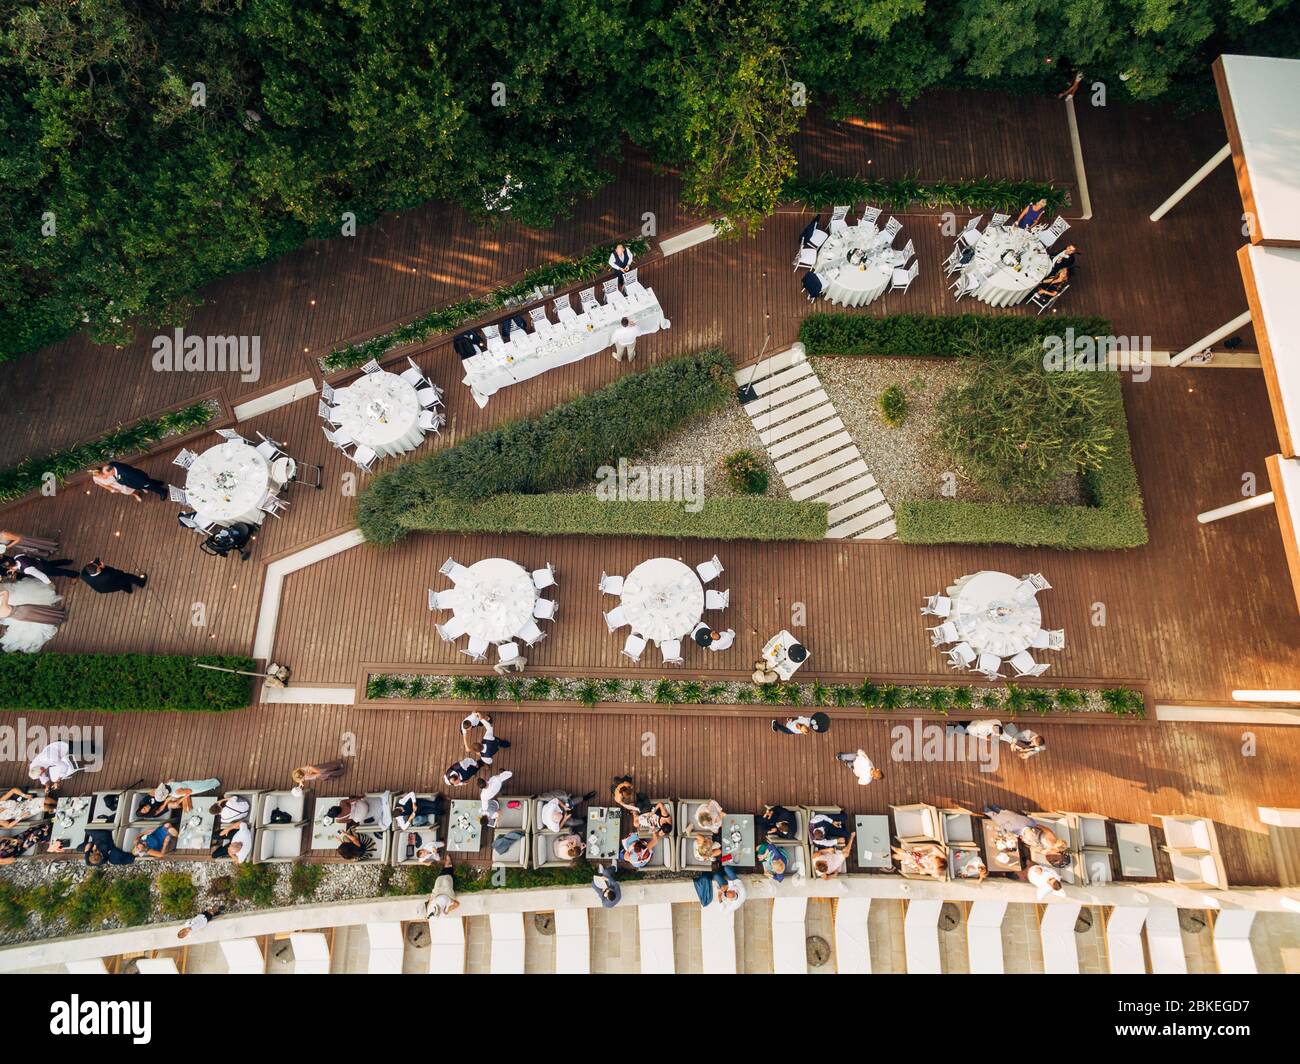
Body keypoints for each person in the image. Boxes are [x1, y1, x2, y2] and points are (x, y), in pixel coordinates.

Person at [1, 581, 68, 653]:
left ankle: (57, 619)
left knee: (39, 618)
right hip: (23, 609)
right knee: (42, 611)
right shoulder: (2, 605)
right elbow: (5, 592)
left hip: (20, 617)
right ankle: (59, 614)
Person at [92, 461, 168, 501]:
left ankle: (162, 491)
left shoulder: (124, 473)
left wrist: (143, 484)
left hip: (139, 481)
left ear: (111, 471)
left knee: (150, 486)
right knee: (150, 482)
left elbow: (135, 476)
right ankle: (159, 483)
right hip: (136, 480)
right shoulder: (112, 464)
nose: (107, 475)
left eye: (107, 474)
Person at [80, 557, 147, 594]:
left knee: (121, 585)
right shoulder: (107, 575)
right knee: (128, 577)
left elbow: (86, 568)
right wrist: (104, 567)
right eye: (98, 565)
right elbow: (119, 573)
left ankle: (128, 590)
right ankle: (141, 583)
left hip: (102, 588)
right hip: (113, 581)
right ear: (98, 569)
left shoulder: (83, 574)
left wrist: (91, 564)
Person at [0, 554, 78, 584]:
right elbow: (27, 556)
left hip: (43, 569)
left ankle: (74, 575)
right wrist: (14, 569)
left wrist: (48, 582)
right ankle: (67, 561)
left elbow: (40, 575)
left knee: (59, 572)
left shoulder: (26, 570)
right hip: (40, 562)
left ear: (10, 567)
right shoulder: (17, 557)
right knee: (53, 563)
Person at [425, 854, 460, 918]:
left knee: (440, 877)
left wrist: (427, 915)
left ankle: (448, 865)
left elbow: (429, 903)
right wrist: (448, 910)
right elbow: (457, 904)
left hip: (437, 891)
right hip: (447, 891)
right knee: (447, 877)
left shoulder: (431, 907)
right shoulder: (444, 911)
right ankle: (448, 863)